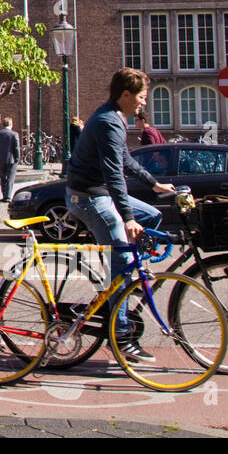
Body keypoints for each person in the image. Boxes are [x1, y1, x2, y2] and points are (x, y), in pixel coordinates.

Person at [64, 68, 175, 359]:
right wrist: (127, 218)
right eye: (141, 97)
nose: (143, 104)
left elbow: (125, 160)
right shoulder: (107, 122)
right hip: (89, 198)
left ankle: (127, 283)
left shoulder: (116, 117)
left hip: (100, 194)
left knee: (151, 216)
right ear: (125, 95)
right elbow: (114, 175)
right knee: (122, 260)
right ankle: (120, 335)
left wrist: (154, 184)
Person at [0, 117, 20, 201]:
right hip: (12, 158)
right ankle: (8, 196)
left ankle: (4, 195)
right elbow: (16, 147)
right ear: (11, 124)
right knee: (10, 178)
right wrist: (18, 157)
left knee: (3, 177)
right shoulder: (14, 134)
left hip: (1, 157)